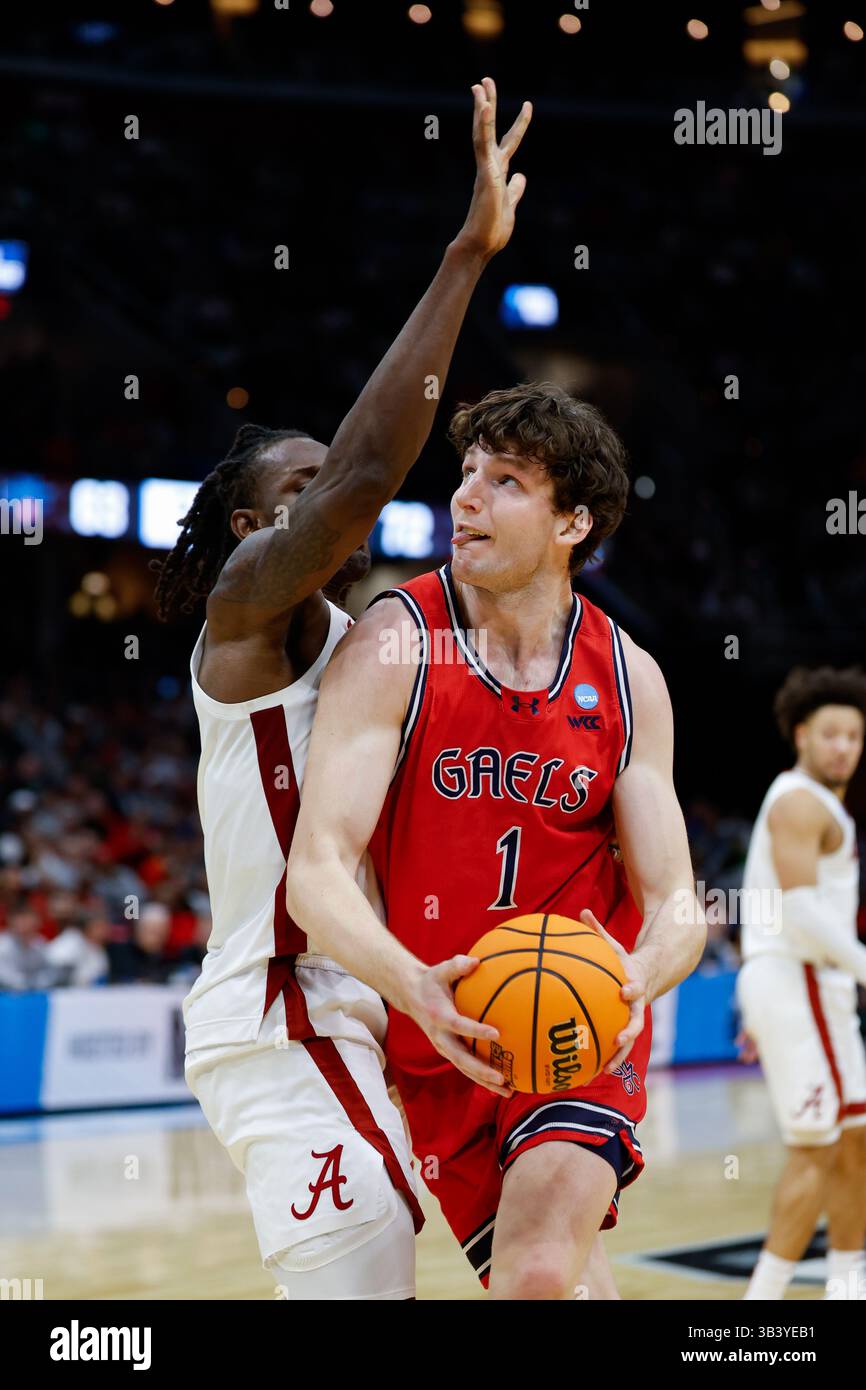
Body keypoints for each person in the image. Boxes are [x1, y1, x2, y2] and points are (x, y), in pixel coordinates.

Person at [156, 79, 532, 1300]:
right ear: (258, 522)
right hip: (277, 1008)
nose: (339, 493)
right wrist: (464, 257)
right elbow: (368, 473)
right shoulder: (245, 616)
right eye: (304, 483)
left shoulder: (375, 636)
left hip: (347, 1002)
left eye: (328, 475)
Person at [286, 380, 706, 1299]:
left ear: (573, 523)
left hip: (575, 1026)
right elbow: (315, 873)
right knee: (564, 1284)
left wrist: (635, 979)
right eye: (466, 473)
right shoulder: (398, 642)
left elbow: (679, 901)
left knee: (538, 1273)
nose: (465, 497)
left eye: (506, 480)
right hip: (439, 1038)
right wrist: (414, 990)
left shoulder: (630, 680)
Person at [737, 666, 866, 1301]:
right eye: (831, 734)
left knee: (857, 1139)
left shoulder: (820, 803)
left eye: (855, 736)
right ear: (802, 735)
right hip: (798, 978)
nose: (844, 747)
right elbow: (803, 910)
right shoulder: (796, 800)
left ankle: (847, 1286)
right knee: (815, 1147)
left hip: (815, 984)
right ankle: (761, 1306)